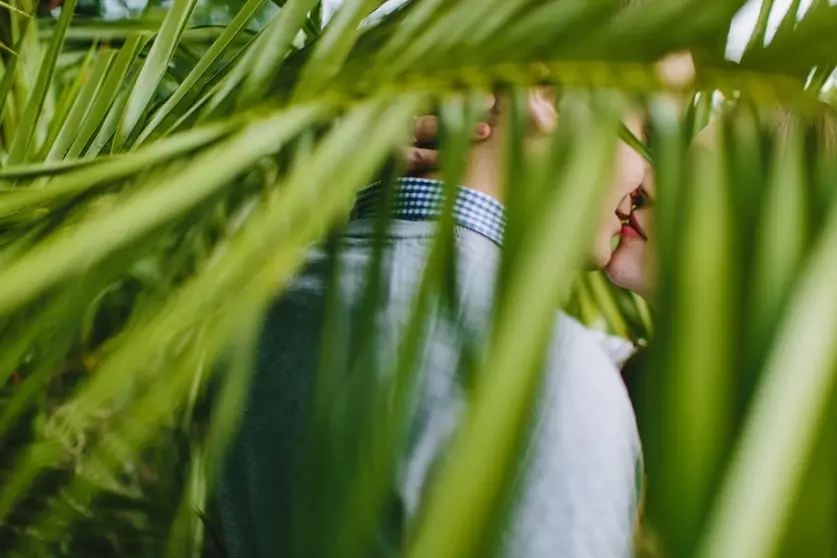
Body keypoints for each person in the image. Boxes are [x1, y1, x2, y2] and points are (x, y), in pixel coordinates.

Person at [217, 85, 652, 558]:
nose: (649, 180)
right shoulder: (552, 380)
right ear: (545, 95)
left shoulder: (265, 290)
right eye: (649, 129)